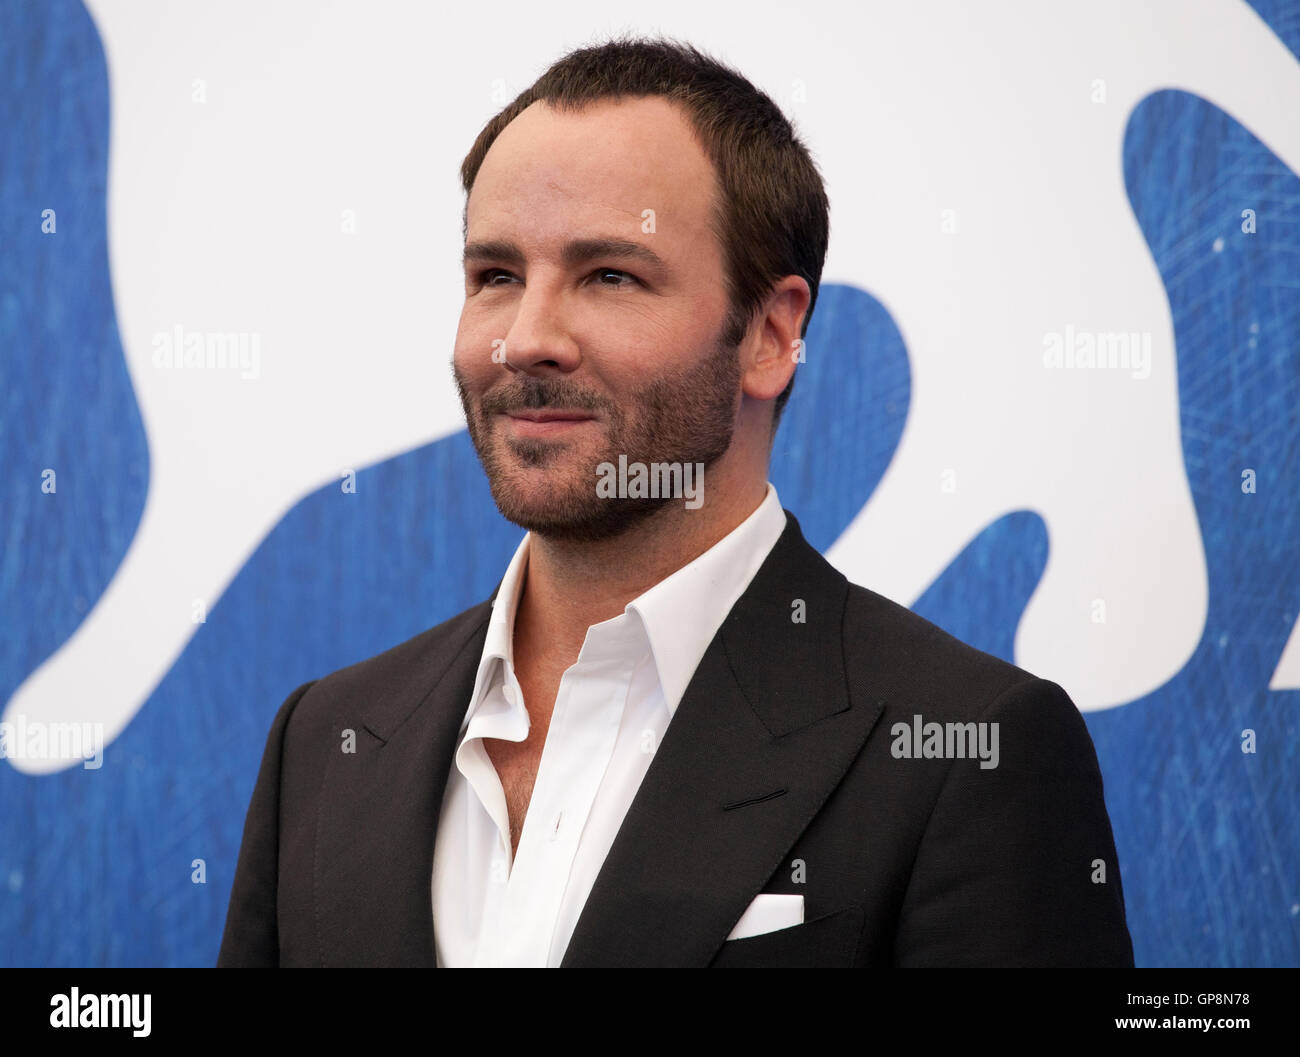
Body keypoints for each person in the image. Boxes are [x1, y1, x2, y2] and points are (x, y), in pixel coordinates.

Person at [217, 36, 1134, 968]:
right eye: (496, 276)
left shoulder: (967, 754)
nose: (527, 339)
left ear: (771, 336)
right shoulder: (325, 743)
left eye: (610, 275)